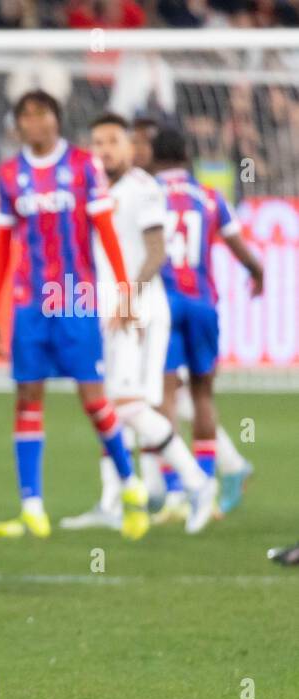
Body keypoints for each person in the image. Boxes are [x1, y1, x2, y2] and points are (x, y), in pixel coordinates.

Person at [0, 91, 149, 542]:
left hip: (75, 297)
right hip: (28, 301)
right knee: (27, 396)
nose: (36, 123)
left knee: (94, 399)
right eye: (27, 117)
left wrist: (124, 290)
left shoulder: (82, 166)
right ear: (18, 126)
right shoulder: (9, 175)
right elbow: (1, 245)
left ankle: (130, 484)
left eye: (43, 115)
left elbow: (107, 231)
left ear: (57, 120)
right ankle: (31, 507)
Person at [61, 113, 215, 534]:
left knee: (126, 405)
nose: (104, 150)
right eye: (97, 142)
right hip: (107, 308)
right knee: (112, 406)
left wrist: (129, 297)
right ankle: (118, 499)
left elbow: (156, 251)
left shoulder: (143, 189)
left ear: (131, 147)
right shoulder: (92, 190)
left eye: (112, 141)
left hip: (138, 311)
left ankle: (195, 482)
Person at [150, 127, 264, 522]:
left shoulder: (147, 194)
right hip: (202, 303)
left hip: (161, 304)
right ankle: (207, 489)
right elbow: (240, 249)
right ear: (185, 156)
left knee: (163, 398)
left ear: (154, 156)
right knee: (202, 397)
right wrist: (257, 274)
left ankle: (177, 494)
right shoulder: (210, 196)